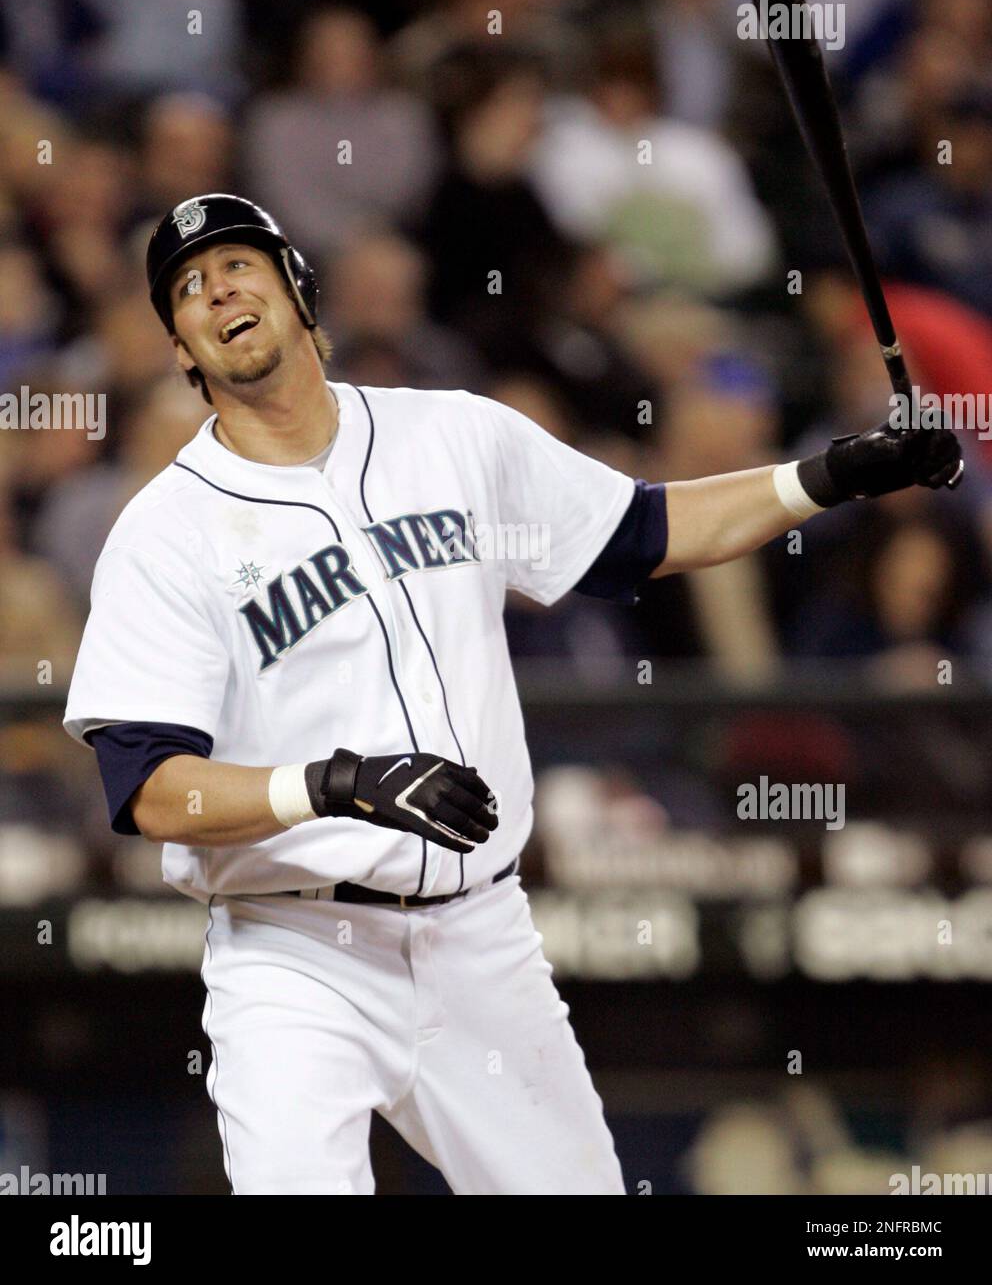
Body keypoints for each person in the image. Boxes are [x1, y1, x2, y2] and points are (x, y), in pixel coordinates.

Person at [63, 193, 963, 1195]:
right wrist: (330, 783)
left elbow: (639, 535)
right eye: (187, 288)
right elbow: (145, 787)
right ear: (182, 351)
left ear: (298, 291)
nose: (217, 288)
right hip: (293, 950)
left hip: (478, 934)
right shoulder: (165, 532)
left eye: (239, 264)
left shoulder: (453, 437)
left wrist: (830, 474)